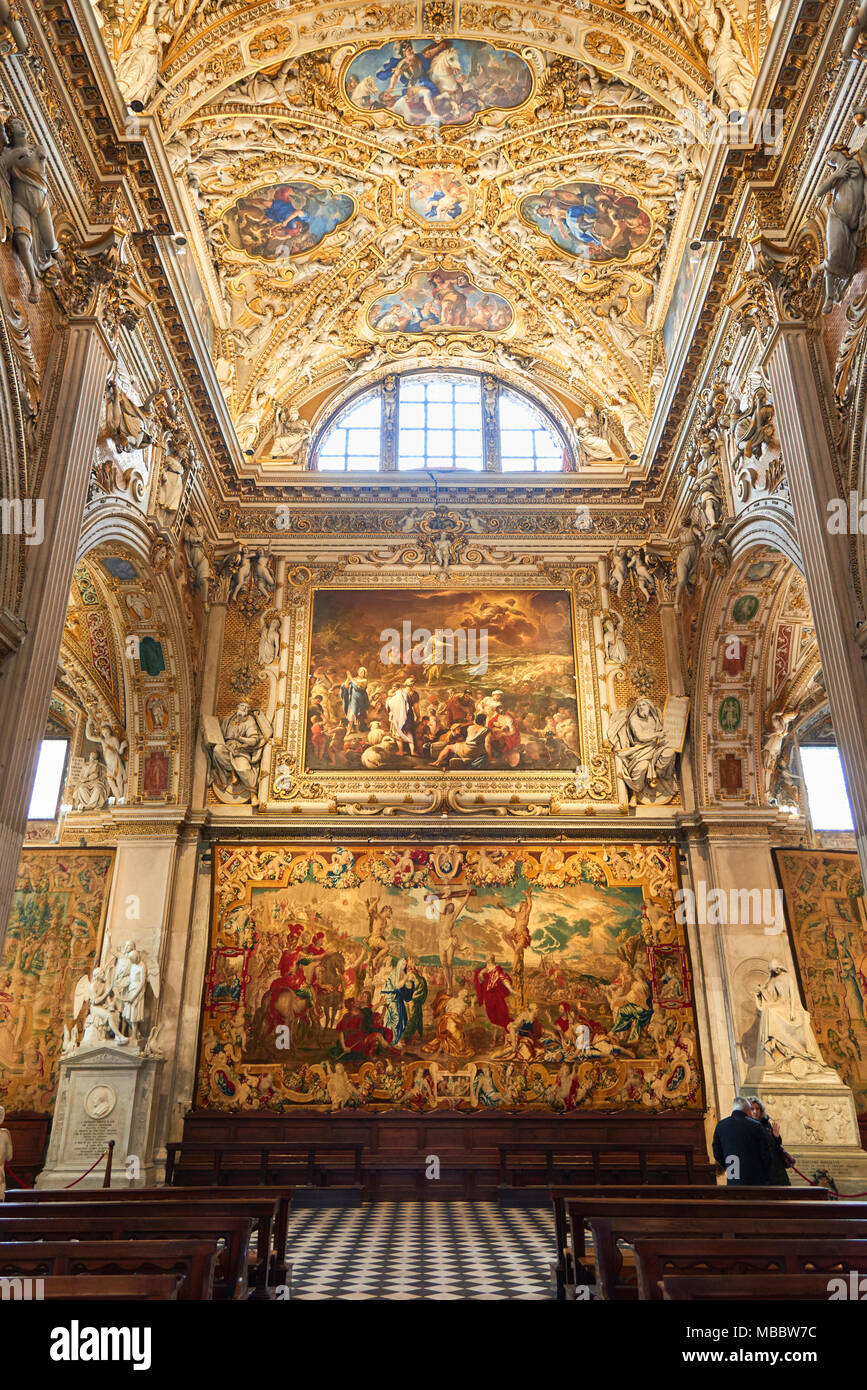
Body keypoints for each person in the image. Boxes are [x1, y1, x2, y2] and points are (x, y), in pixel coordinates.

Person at [711, 1095, 774, 1185]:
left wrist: (729, 1166)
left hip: (733, 1175)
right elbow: (766, 1154)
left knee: (736, 1197)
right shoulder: (756, 1125)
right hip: (754, 1177)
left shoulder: (721, 1125)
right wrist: (767, 1176)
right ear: (747, 1110)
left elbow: (717, 1152)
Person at [749, 1097, 793, 1185]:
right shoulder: (747, 1126)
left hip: (776, 1164)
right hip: (761, 1166)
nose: (755, 1112)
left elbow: (776, 1144)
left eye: (757, 1109)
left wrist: (776, 1137)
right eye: (752, 1109)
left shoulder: (766, 1123)